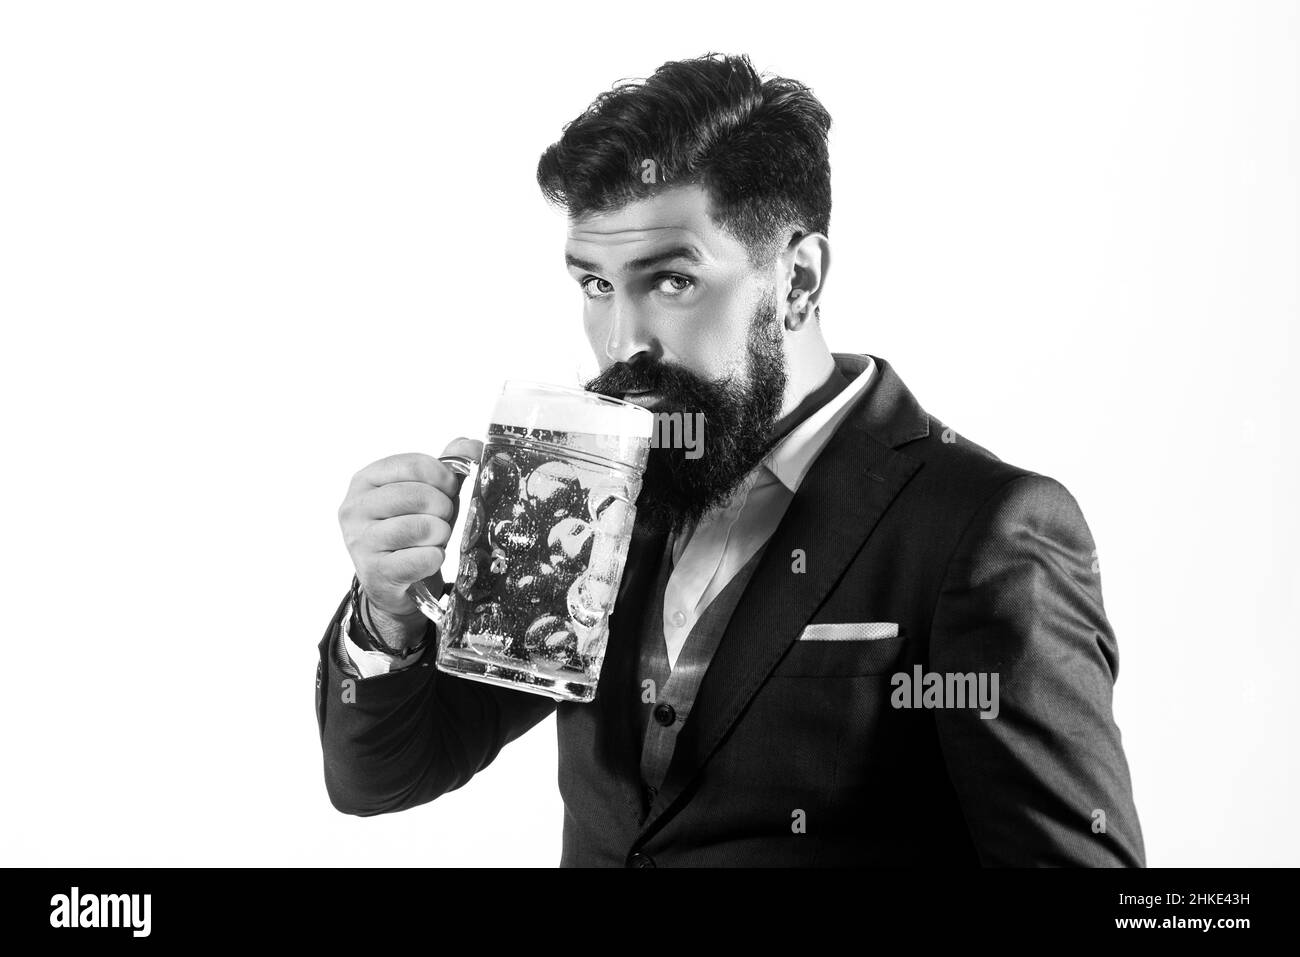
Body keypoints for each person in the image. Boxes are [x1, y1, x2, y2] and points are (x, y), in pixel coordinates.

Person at [316, 52, 1145, 867]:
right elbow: (384, 774)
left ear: (797, 281)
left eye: (671, 281)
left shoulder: (986, 530)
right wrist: (388, 613)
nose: (622, 343)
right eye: (596, 286)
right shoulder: (590, 491)